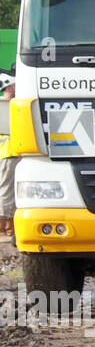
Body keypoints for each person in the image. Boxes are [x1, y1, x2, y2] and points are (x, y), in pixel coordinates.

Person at [0, 73, 15, 241]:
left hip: (8, 154)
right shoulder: (7, 105)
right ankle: (6, 227)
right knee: (6, 191)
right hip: (9, 154)